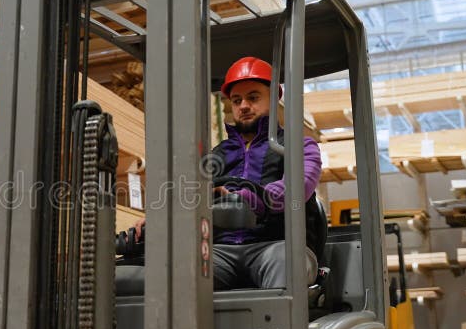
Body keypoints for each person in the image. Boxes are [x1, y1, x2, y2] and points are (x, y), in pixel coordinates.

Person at [131, 57, 323, 292]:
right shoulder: (216, 155)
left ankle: (278, 315)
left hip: (278, 246)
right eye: (237, 100)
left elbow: (295, 188)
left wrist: (244, 200)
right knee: (178, 270)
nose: (243, 106)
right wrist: (161, 216)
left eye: (253, 97)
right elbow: (188, 194)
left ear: (274, 99)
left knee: (286, 263)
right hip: (220, 251)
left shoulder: (300, 146)